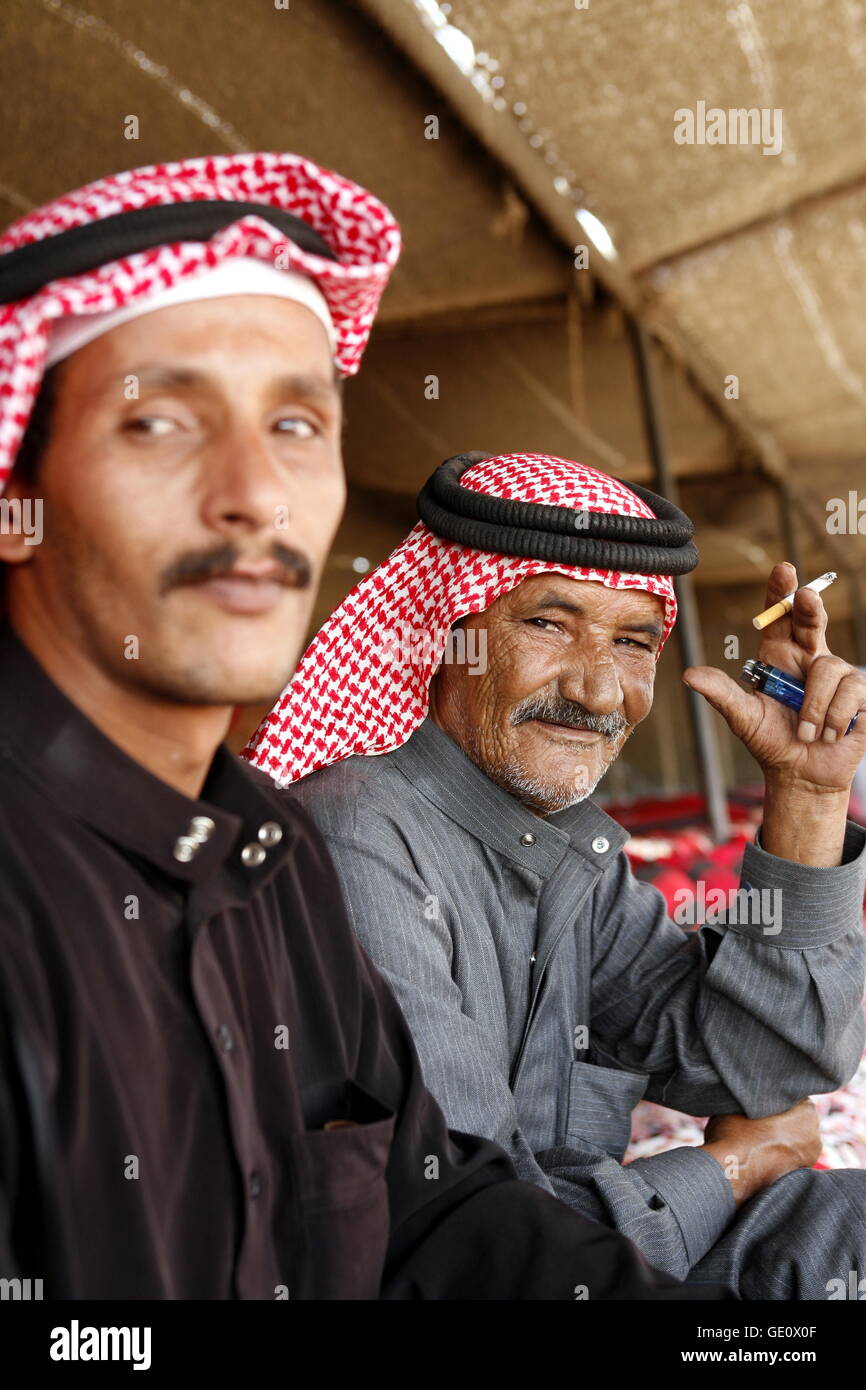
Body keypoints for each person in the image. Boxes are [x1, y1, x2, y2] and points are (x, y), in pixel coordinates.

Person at [0, 156, 732, 1301]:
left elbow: (439, 1204)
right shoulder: (321, 839)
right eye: (156, 420)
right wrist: (723, 1177)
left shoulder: (267, 868)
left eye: (295, 422)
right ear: (15, 499)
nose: (255, 491)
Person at [249, 448, 866, 1299]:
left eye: (632, 642)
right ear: (448, 629)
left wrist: (805, 794)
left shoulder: (566, 851)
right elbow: (471, 1234)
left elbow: (763, 1064)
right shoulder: (355, 836)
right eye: (548, 623)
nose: (600, 691)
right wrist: (732, 1169)